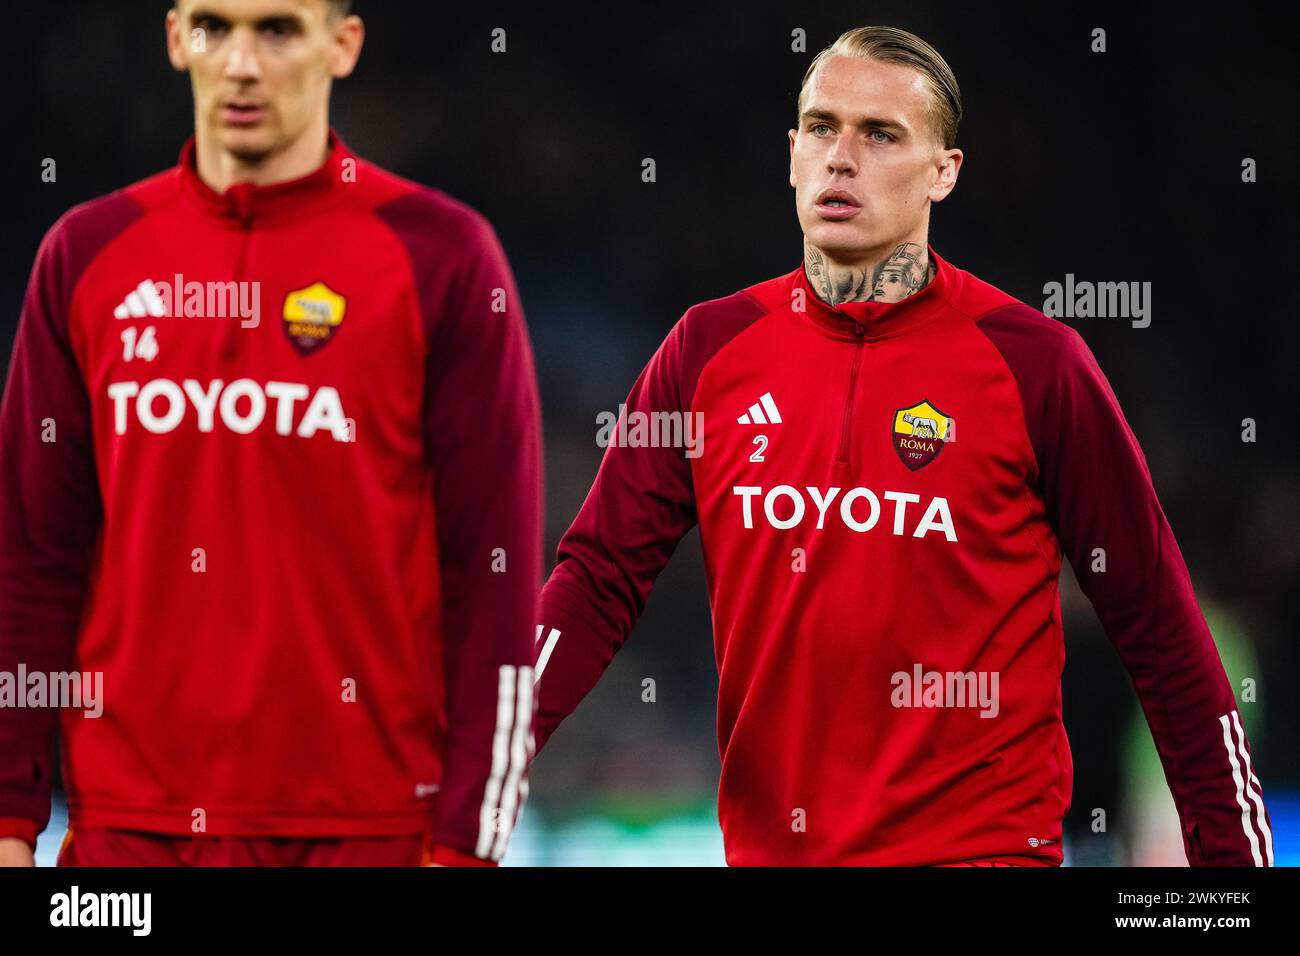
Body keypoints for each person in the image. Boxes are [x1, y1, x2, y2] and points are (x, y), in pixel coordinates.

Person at [529, 25, 1272, 866]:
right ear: (792, 154)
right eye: (821, 127)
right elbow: (596, 580)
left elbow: (1158, 622)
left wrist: (1232, 868)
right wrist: (490, 761)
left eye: (881, 134)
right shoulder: (706, 352)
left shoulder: (1036, 367)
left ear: (943, 172)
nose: (841, 157)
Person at [0, 0, 541, 867]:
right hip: (128, 840)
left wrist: (468, 846)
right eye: (215, 26)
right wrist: (9, 822)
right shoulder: (86, 256)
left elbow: (494, 576)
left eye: (279, 29)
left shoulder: (443, 259)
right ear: (176, 37)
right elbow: (29, 559)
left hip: (366, 836)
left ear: (343, 44)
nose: (242, 63)